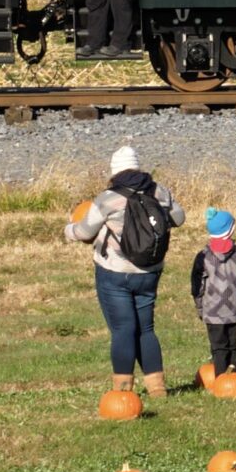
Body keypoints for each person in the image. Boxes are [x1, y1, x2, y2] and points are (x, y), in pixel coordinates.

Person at [66, 144, 183, 399]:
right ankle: (157, 388)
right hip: (150, 271)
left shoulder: (108, 198)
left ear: (114, 171)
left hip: (114, 273)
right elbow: (179, 218)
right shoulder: (159, 191)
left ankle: (122, 391)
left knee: (123, 329)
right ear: (138, 167)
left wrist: (69, 229)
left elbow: (85, 232)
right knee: (146, 328)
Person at [190, 209, 236, 379]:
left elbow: (197, 287)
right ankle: (234, 376)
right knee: (232, 345)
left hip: (212, 310)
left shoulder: (204, 256)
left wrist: (201, 308)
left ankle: (221, 379)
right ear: (229, 230)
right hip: (233, 309)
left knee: (218, 347)